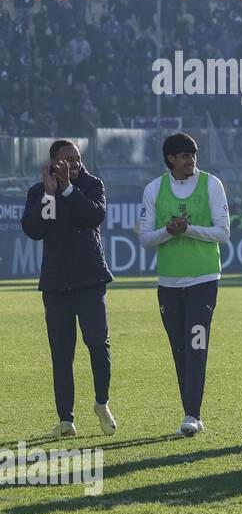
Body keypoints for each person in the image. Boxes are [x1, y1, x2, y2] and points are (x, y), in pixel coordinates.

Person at [136, 133, 230, 437]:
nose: (191, 160)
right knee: (180, 349)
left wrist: (188, 229)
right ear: (170, 160)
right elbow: (145, 238)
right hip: (169, 282)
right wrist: (168, 231)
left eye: (194, 154)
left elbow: (223, 232)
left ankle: (191, 414)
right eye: (185, 156)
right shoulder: (154, 189)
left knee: (196, 345)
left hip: (203, 280)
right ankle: (192, 413)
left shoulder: (212, 184)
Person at [20, 140, 116, 438]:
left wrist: (67, 189)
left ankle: (102, 403)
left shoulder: (91, 185)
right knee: (62, 354)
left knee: (98, 344)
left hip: (90, 280)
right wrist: (50, 194)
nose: (72, 163)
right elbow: (35, 230)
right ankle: (66, 420)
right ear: (52, 162)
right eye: (65, 159)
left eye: (75, 158)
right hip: (56, 284)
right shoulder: (39, 191)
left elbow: (93, 216)